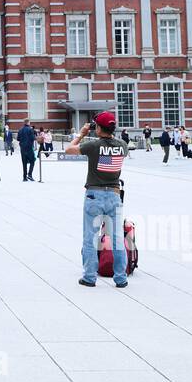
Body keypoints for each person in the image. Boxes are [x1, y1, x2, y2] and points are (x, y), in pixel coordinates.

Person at [63, 112, 128, 289]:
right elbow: (109, 155)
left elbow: (69, 150)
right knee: (117, 239)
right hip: (114, 195)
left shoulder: (93, 145)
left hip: (94, 195)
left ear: (98, 128)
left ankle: (90, 277)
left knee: (90, 238)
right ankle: (121, 278)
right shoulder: (122, 145)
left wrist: (82, 133)